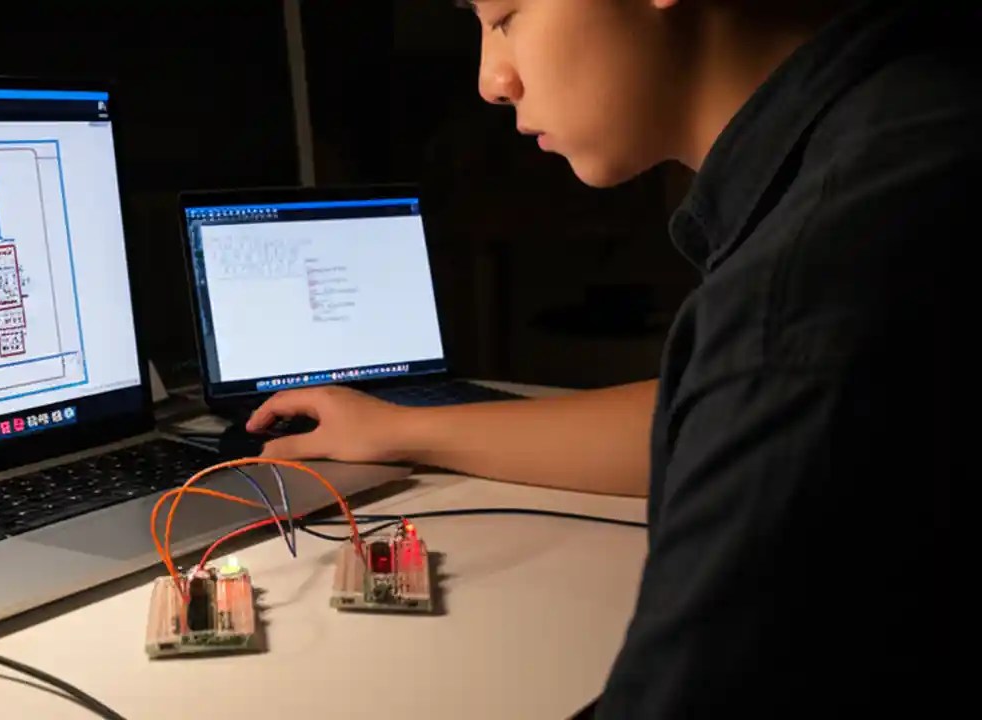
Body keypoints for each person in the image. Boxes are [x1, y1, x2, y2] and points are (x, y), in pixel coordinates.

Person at [249, 0, 966, 716]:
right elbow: (704, 418)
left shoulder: (805, 295)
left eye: (505, 17)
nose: (490, 81)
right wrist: (400, 430)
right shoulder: (911, 116)